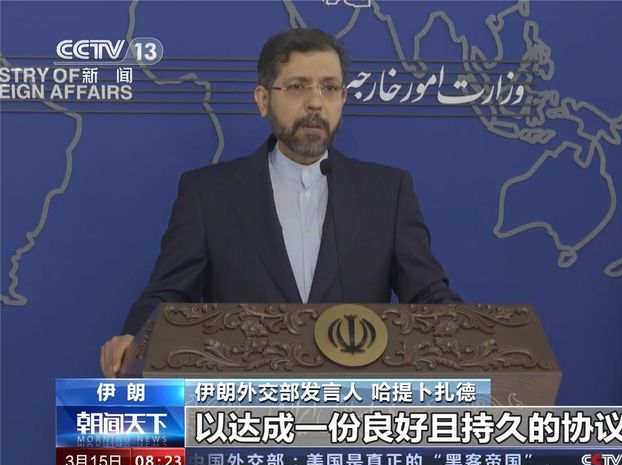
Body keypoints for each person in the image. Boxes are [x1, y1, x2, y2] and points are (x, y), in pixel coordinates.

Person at [100, 28, 462, 377]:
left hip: (355, 406)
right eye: (297, 86)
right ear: (263, 100)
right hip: (243, 407)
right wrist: (133, 339)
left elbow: (428, 293)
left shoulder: (388, 192)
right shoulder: (207, 195)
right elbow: (168, 297)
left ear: (342, 99)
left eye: (329, 87)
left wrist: (472, 336)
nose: (315, 102)